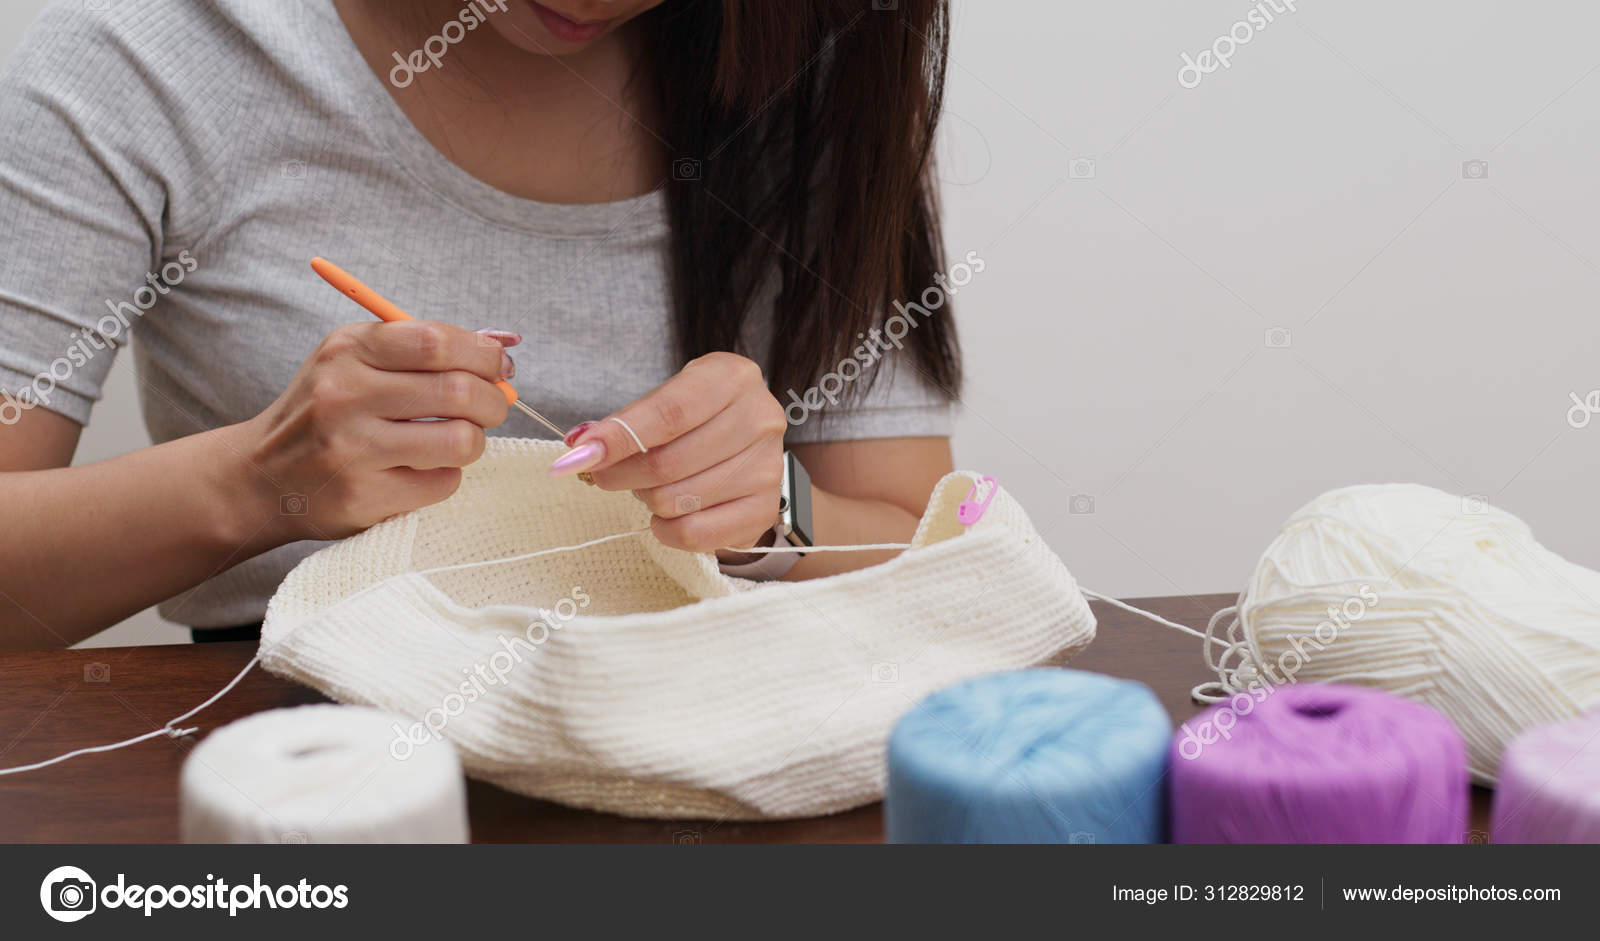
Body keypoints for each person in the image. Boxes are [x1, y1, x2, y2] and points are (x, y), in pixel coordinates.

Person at [0, 0, 962, 648]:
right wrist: (255, 486)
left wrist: (771, 516)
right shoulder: (148, 53)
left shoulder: (808, 57)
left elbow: (937, 549)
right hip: (310, 765)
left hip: (703, 712)